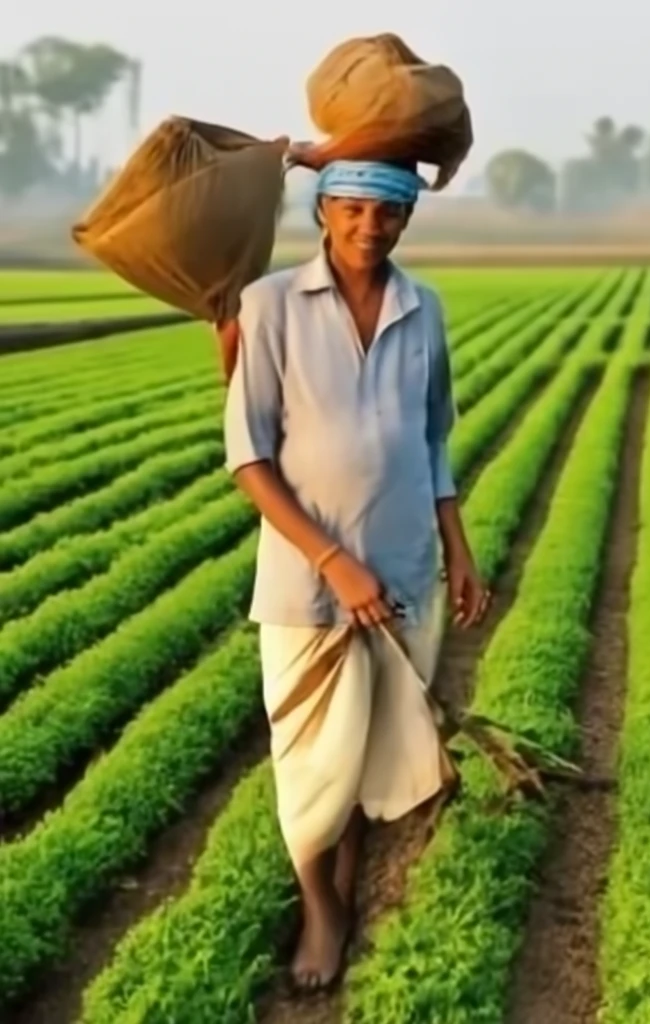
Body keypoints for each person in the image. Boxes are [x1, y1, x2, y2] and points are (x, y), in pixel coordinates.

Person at [221, 156, 490, 992]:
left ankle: (344, 883)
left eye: (388, 213)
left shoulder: (423, 308)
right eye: (355, 210)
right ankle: (320, 909)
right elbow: (250, 459)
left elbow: (432, 440)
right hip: (309, 581)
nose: (371, 227)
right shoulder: (270, 306)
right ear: (325, 210)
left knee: (372, 745)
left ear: (407, 218)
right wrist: (335, 561)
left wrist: (459, 544)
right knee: (309, 755)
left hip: (406, 566)